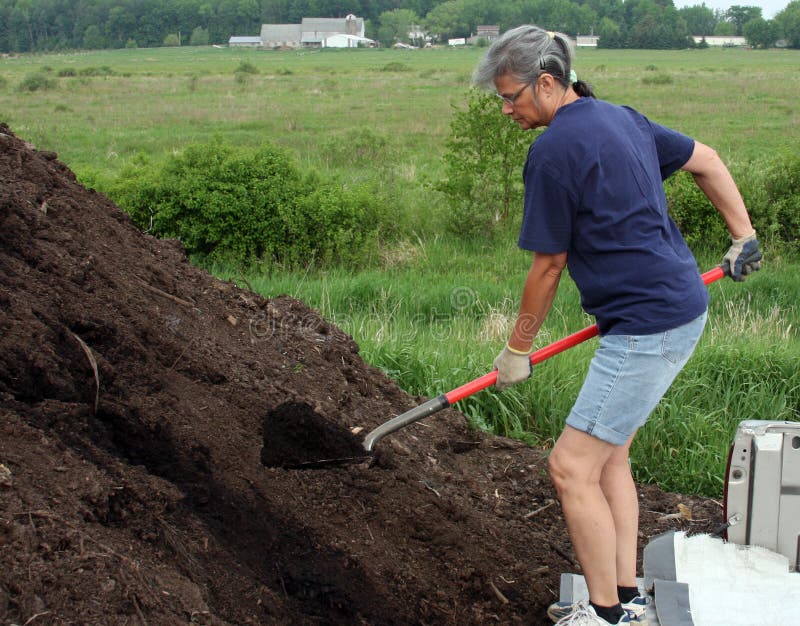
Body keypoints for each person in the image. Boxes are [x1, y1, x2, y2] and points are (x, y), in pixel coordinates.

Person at [473, 25, 762, 626]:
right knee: (609, 459)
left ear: (546, 83)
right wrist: (744, 235)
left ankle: (604, 616)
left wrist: (516, 348)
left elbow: (549, 265)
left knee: (569, 467)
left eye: (510, 97)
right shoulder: (620, 117)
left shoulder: (552, 153)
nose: (504, 110)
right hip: (670, 307)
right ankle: (625, 593)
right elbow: (706, 160)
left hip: (646, 325)